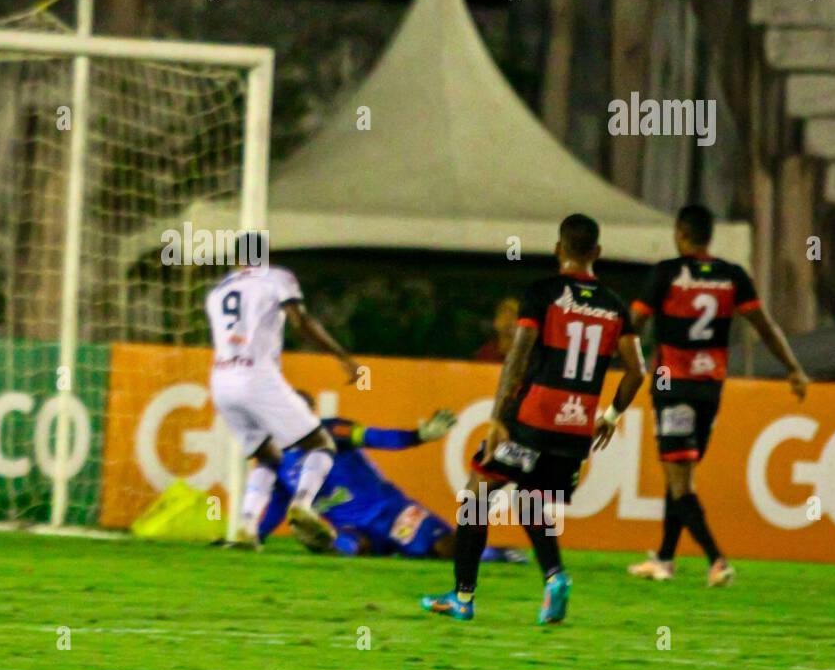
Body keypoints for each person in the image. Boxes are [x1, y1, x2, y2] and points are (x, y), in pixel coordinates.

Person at [422, 214, 645, 624]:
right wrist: (610, 415)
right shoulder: (615, 306)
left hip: (534, 416)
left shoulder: (543, 293)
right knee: (529, 501)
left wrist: (497, 418)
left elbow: (518, 355)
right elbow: (637, 370)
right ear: (596, 252)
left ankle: (462, 597)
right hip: (575, 428)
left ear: (559, 249)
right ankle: (555, 577)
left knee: (477, 495)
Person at [627, 204, 809, 586]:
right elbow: (764, 325)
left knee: (679, 480)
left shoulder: (666, 273)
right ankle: (663, 559)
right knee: (679, 473)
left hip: (671, 384)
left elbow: (634, 323)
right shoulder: (732, 276)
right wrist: (793, 368)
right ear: (709, 236)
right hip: (710, 388)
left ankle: (717, 559)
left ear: (680, 232)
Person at [204, 232, 360, 550]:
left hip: (220, 380)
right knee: (321, 444)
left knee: (268, 458)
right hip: (256, 375)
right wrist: (342, 357)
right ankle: (302, 504)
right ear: (266, 256)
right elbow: (301, 323)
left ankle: (246, 529)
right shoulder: (276, 277)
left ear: (236, 259)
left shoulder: (217, 292)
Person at [256, 393, 526, 564]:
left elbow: (374, 436)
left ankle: (493, 554)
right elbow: (279, 504)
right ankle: (331, 545)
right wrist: (256, 537)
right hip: (353, 529)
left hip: (390, 512)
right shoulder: (278, 458)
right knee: (349, 548)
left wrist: (417, 436)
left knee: (444, 550)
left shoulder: (331, 430)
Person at [473, 297, 519, 362]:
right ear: (495, 323)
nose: (508, 320)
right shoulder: (486, 353)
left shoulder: (527, 354)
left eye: (513, 315)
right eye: (503, 314)